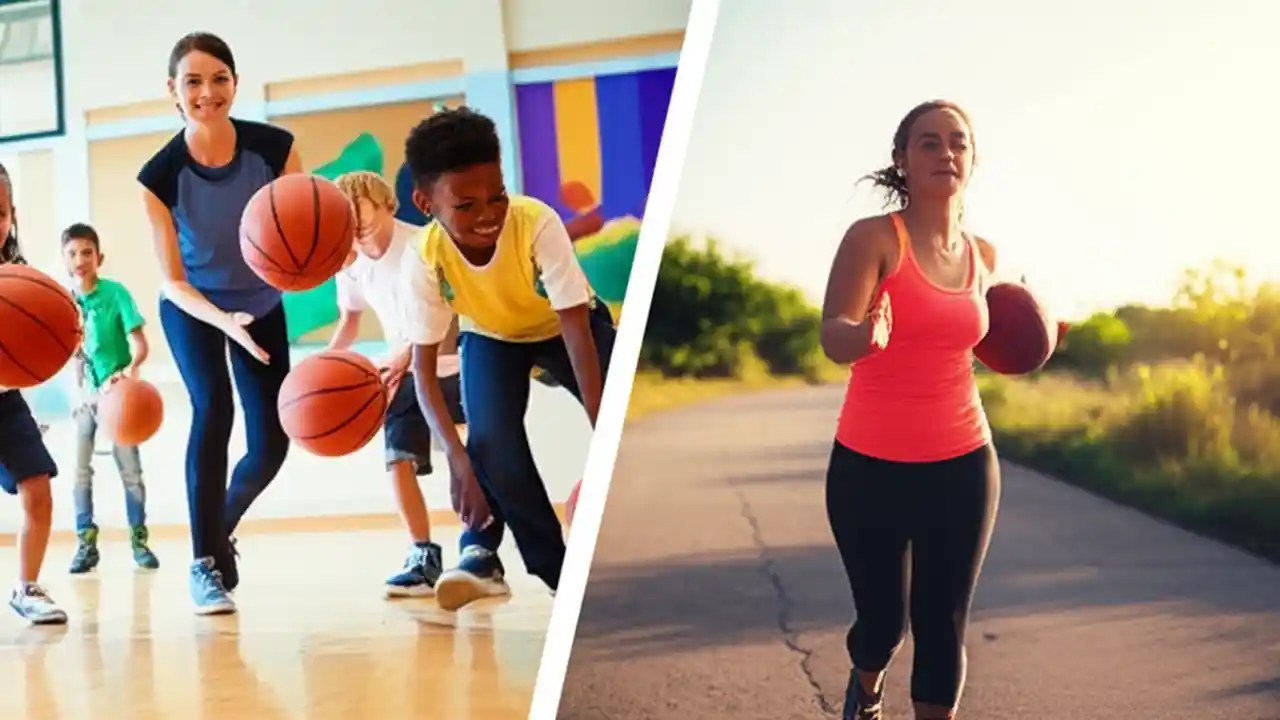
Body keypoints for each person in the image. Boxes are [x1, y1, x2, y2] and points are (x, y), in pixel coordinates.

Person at [820, 100, 1005, 720]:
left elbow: (991, 339)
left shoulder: (984, 256)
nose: (945, 153)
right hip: (869, 466)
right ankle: (867, 686)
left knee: (943, 623)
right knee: (882, 625)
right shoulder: (873, 239)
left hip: (963, 461)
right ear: (901, 159)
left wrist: (1043, 337)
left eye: (958, 142)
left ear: (972, 159)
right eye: (929, 143)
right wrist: (864, 337)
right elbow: (834, 333)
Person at [400, 106, 615, 612]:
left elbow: (576, 331)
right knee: (493, 447)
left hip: (565, 327)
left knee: (622, 417)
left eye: (497, 196)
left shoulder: (535, 222)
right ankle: (562, 578)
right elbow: (423, 373)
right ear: (425, 203)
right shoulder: (425, 259)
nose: (488, 214)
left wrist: (606, 436)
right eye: (466, 205)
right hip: (492, 335)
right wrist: (459, 461)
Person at [137, 32, 302, 615]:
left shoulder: (276, 149)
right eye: (193, 81)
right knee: (213, 408)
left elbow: (300, 230)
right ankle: (204, 562)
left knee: (272, 444)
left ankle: (218, 525)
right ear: (173, 90)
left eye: (219, 79)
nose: (207, 92)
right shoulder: (158, 176)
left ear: (235, 83)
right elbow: (173, 282)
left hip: (261, 305)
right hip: (194, 307)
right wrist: (225, 323)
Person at [328, 170, 468, 598]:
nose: (356, 225)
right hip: (403, 372)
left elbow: (447, 307)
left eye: (362, 213)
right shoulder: (350, 266)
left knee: (471, 457)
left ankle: (478, 549)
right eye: (347, 218)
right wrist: (324, 365)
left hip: (451, 363)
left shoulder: (421, 244)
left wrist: (410, 350)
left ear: (387, 205)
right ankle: (423, 555)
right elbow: (350, 320)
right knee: (397, 460)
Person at [61, 222, 160, 574]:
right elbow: (72, 354)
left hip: (118, 396)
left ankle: (139, 541)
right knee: (80, 471)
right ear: (64, 260)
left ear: (99, 258)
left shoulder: (116, 294)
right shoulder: (65, 302)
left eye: (87, 252)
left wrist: (127, 374)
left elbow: (140, 345)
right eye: (72, 253)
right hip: (85, 398)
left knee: (130, 471)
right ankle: (86, 544)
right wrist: (77, 391)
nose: (80, 260)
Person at [0, 161, 68, 625]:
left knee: (38, 489)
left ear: (12, 216)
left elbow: (32, 347)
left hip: (5, 402)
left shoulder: (18, 278)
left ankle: (27, 587)